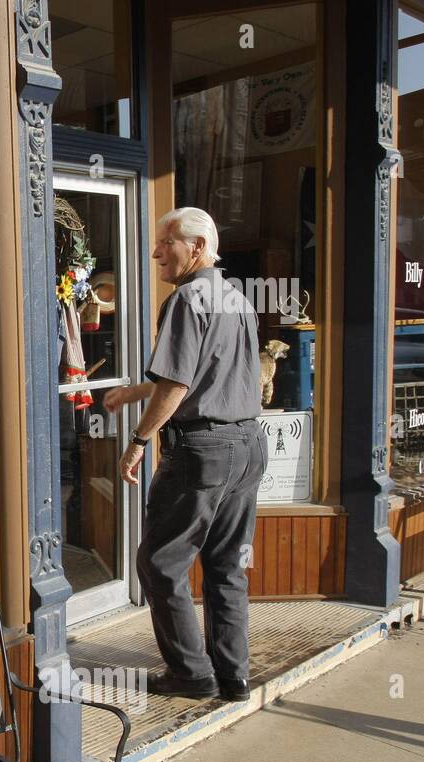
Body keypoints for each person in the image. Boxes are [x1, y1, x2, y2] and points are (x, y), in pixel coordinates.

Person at [103, 207, 267, 701]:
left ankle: (192, 675)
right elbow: (202, 374)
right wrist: (133, 393)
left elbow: (178, 383)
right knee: (226, 565)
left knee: (160, 563)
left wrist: (138, 441)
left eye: (165, 242)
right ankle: (233, 677)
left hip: (204, 453)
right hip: (247, 444)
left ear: (195, 247)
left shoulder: (186, 300)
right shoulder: (235, 297)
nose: (155, 252)